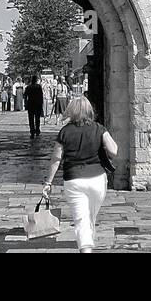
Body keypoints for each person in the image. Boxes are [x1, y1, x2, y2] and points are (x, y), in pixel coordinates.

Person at [42, 96, 118, 252]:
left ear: (72, 111)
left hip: (74, 180)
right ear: (89, 111)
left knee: (82, 219)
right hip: (97, 180)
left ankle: (86, 249)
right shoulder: (99, 129)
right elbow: (114, 151)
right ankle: (88, 243)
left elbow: (56, 159)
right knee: (90, 217)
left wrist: (48, 183)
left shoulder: (65, 132)